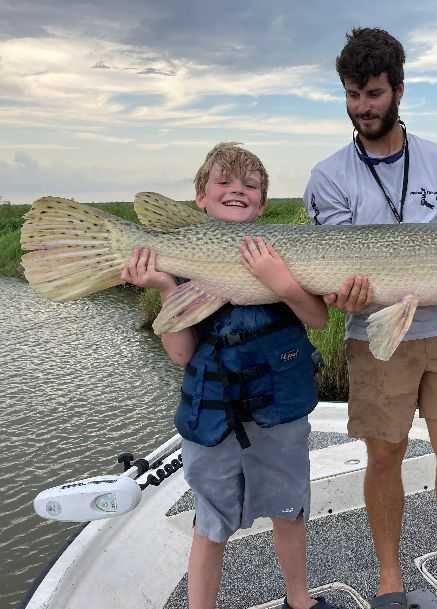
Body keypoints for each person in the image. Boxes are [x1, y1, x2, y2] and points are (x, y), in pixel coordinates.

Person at [304, 28, 437, 609]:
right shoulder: (329, 175)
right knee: (385, 453)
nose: (362, 107)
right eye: (352, 95)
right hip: (375, 335)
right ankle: (390, 579)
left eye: (373, 94)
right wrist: (343, 295)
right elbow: (337, 265)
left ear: (398, 90)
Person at [121, 142, 340, 609]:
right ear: (200, 197)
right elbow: (181, 354)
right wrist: (164, 287)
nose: (237, 190)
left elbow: (318, 319)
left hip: (278, 413)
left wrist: (280, 281)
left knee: (290, 509)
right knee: (211, 522)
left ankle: (299, 600)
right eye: (224, 182)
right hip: (212, 418)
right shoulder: (180, 263)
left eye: (250, 185)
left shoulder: (279, 252)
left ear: (262, 203)